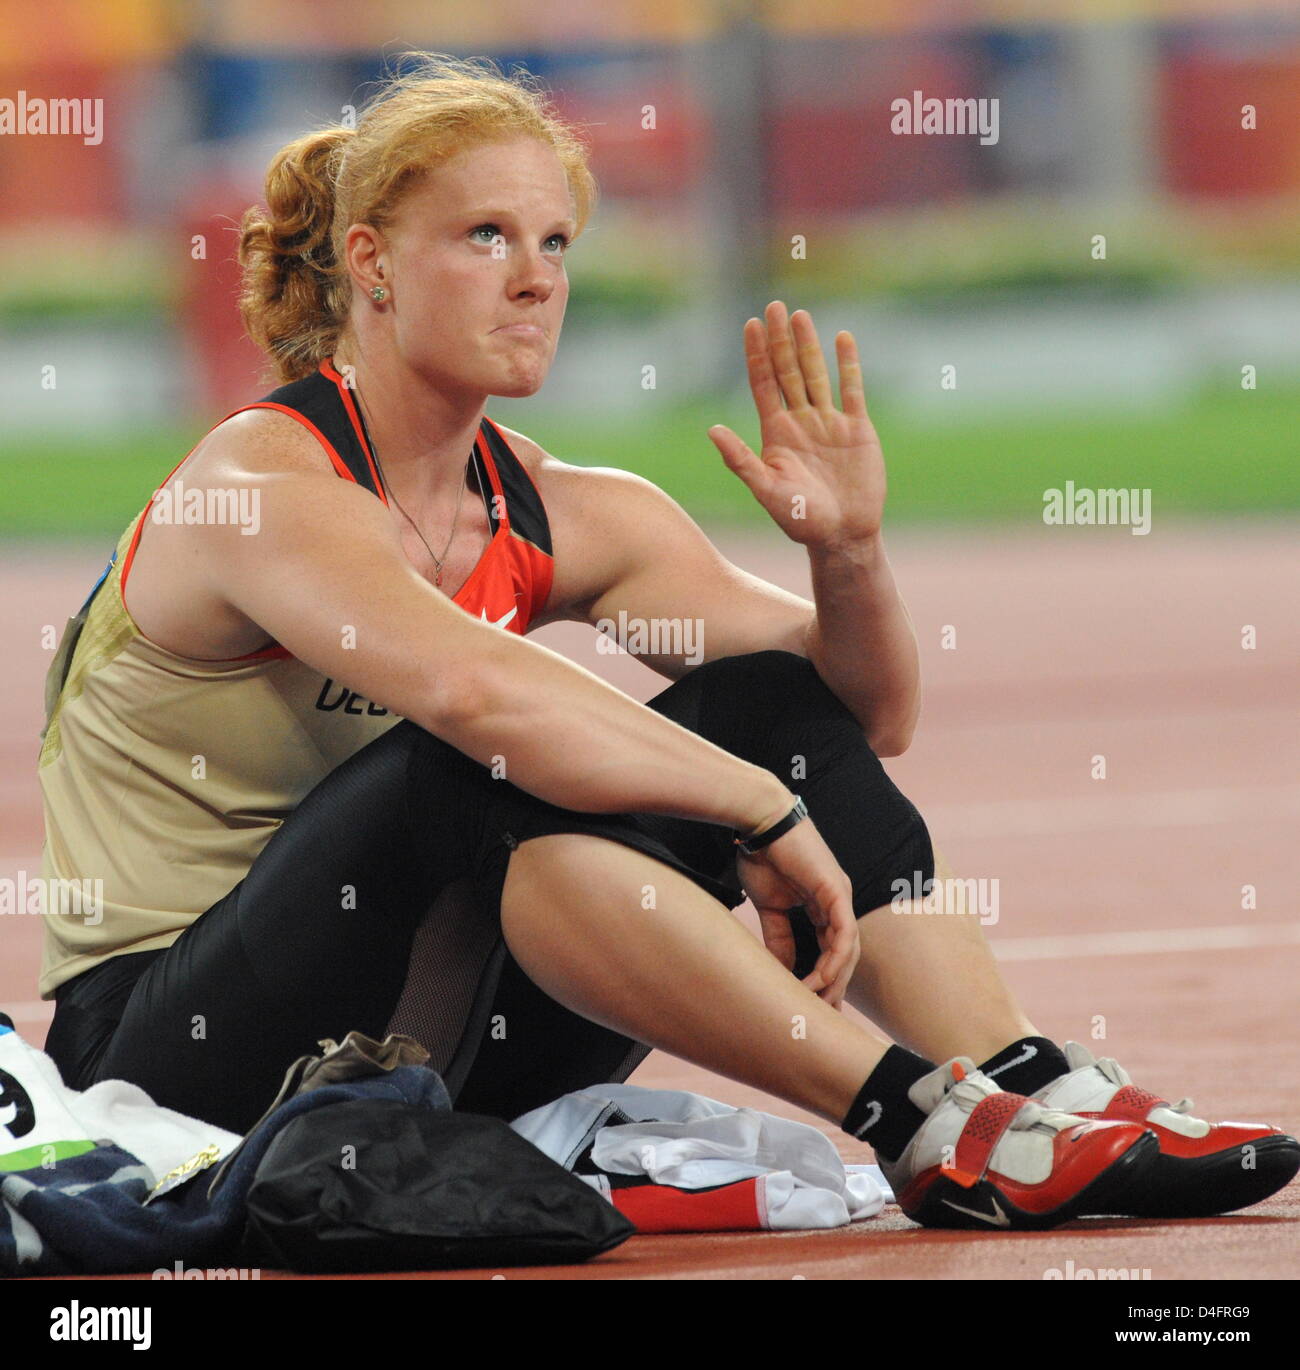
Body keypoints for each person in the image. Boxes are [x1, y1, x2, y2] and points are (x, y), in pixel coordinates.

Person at [37, 52, 1296, 1231]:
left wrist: (847, 555)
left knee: (753, 702)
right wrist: (754, 812)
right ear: (369, 261)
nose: (535, 278)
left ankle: (1024, 1084)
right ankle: (930, 1122)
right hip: (177, 1064)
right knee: (471, 759)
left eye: (554, 243)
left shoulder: (562, 508)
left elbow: (860, 716)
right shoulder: (261, 479)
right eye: (485, 237)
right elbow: (481, 696)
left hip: (433, 1037)